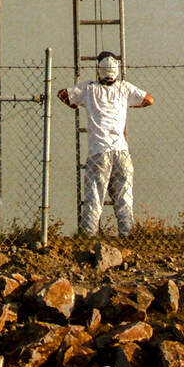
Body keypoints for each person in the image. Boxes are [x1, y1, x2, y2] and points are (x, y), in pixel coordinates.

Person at [58, 52, 154, 238]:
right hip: (122, 151)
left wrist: (75, 105)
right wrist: (127, 106)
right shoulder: (124, 88)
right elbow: (149, 99)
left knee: (94, 196)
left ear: (98, 71)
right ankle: (127, 235)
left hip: (98, 152)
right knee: (124, 197)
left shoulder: (89, 88)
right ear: (117, 71)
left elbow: (62, 94)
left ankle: (88, 235)